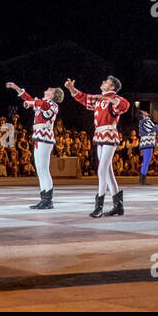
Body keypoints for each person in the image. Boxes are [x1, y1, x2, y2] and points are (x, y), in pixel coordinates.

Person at [67, 76, 131, 218]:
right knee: (108, 172)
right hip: (100, 135)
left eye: (107, 82)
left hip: (109, 135)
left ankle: (99, 206)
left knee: (102, 170)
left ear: (112, 87)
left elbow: (124, 106)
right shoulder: (98, 99)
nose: (103, 82)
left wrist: (106, 99)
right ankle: (118, 206)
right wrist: (71, 88)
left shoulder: (114, 98)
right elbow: (83, 98)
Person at [7, 81, 63, 209]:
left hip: (45, 139)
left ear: (53, 95)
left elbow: (40, 103)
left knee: (43, 169)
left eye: (51, 89)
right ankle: (44, 198)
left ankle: (48, 200)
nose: (48, 88)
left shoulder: (52, 105)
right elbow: (29, 99)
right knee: (40, 169)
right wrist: (16, 88)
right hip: (40, 139)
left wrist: (31, 103)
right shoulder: (44, 104)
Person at [135, 107, 158, 185]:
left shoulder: (146, 121)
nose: (146, 112)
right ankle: (142, 179)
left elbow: (153, 127)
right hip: (147, 143)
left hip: (148, 143)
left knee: (147, 161)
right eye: (144, 112)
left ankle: (142, 179)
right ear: (142, 115)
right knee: (146, 161)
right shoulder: (144, 122)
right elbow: (152, 128)